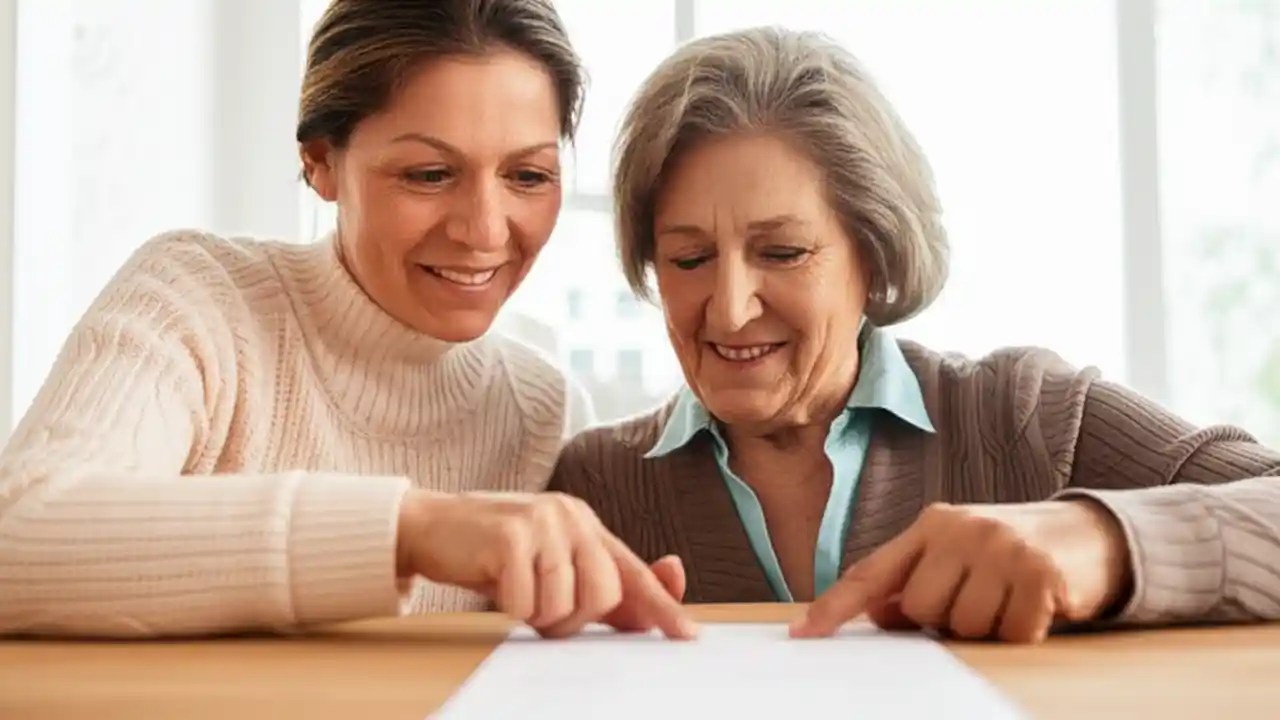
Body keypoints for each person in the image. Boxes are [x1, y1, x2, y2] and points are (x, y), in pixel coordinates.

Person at [550, 26, 1280, 643]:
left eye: (783, 253)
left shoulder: (1027, 419)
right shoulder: (599, 486)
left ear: (873, 254)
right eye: (689, 259)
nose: (730, 309)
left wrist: (1107, 542)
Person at [0, 0, 694, 641]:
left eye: (527, 176)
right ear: (321, 162)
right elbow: (17, 539)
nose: (484, 231)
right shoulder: (197, 299)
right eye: (429, 174)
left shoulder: (542, 411)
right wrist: (410, 529)